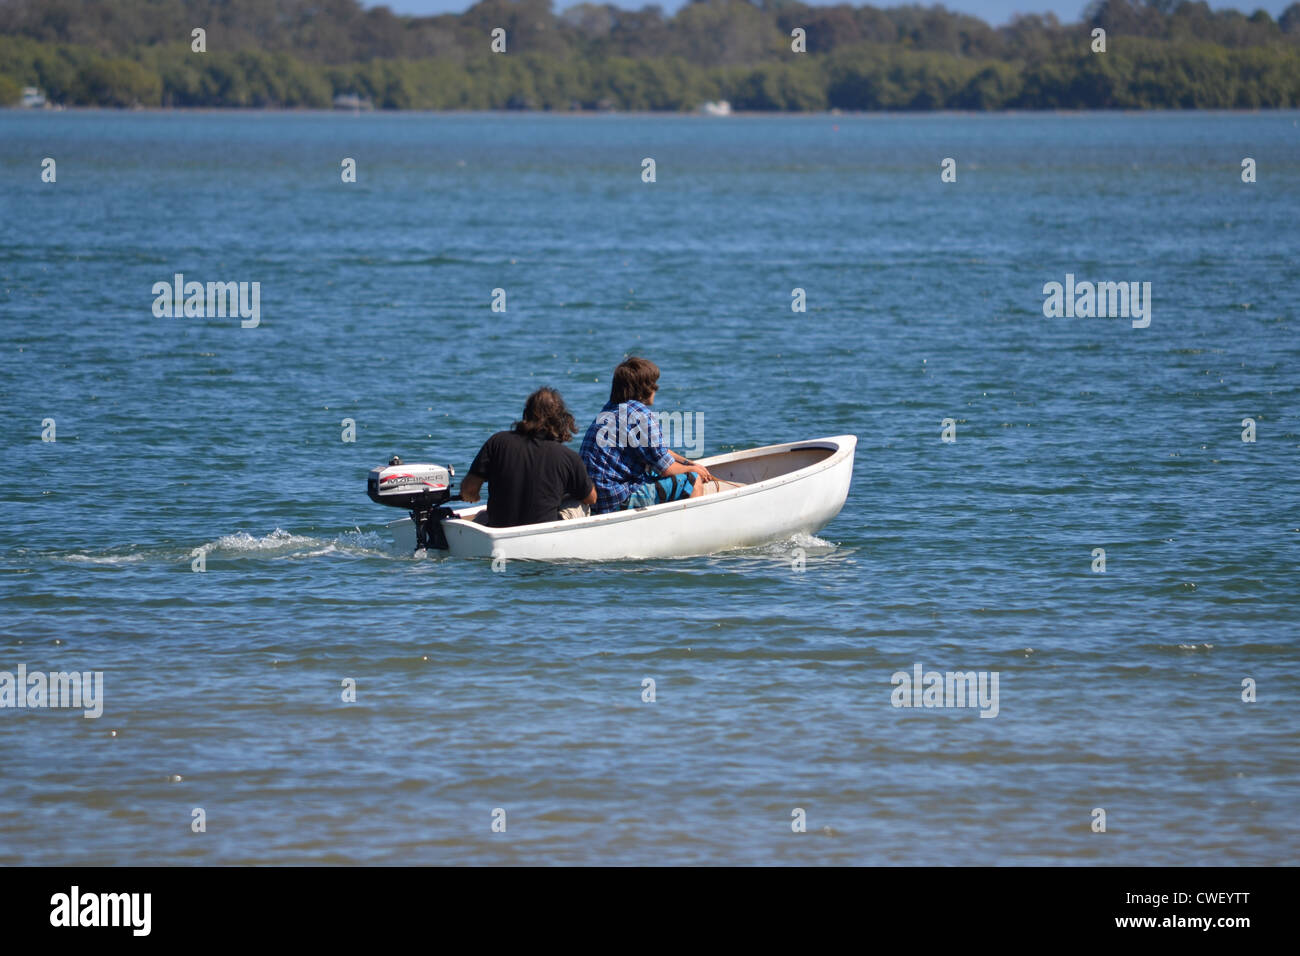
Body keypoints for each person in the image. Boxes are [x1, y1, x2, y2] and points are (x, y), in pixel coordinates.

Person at [579, 356, 717, 515]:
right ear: (643, 388)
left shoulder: (610, 409)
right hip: (615, 499)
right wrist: (692, 470)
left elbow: (658, 451)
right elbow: (667, 469)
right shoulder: (639, 414)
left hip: (595, 497)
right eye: (653, 383)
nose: (656, 388)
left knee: (656, 471)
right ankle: (691, 529)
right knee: (692, 480)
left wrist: (687, 462)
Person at [459, 387, 596, 527]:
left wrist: (473, 496)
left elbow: (469, 490)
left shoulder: (497, 442)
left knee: (482, 514)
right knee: (579, 503)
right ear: (560, 420)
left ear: (526, 414)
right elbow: (591, 498)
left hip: (499, 529)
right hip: (542, 535)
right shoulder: (568, 457)